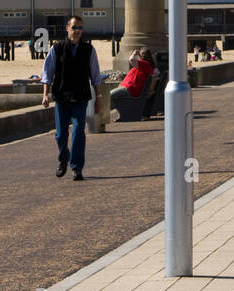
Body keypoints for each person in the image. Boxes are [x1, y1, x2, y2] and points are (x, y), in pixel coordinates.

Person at [41, 15, 100, 181]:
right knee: (60, 135)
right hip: (62, 96)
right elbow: (47, 73)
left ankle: (76, 168)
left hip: (81, 96)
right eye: (74, 27)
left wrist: (98, 99)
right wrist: (45, 95)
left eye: (80, 28)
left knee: (78, 131)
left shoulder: (89, 50)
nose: (77, 31)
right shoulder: (57, 48)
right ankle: (63, 158)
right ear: (67, 28)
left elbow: (95, 76)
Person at [110, 48, 155, 120]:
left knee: (110, 95)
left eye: (140, 54)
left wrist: (134, 53)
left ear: (143, 56)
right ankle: (122, 114)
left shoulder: (145, 64)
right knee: (113, 95)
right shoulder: (145, 65)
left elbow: (131, 60)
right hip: (129, 88)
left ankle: (121, 115)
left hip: (131, 89)